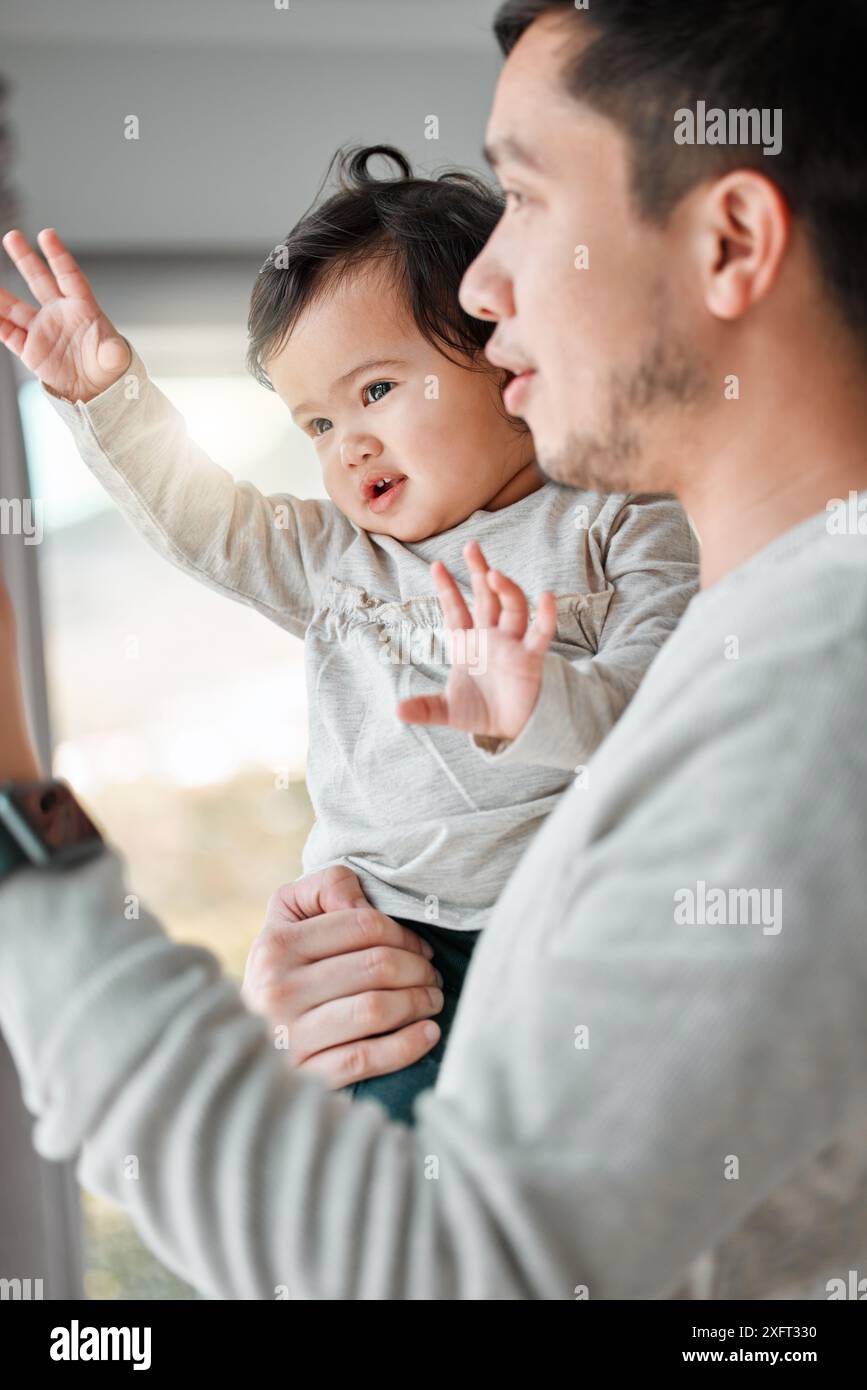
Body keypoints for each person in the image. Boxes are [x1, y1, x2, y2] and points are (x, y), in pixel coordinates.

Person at [2, 0, 867, 1299]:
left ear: (730, 239)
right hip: (389, 940)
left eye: (523, 194)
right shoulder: (758, 639)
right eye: (312, 419)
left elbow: (451, 1272)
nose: (478, 288)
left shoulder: (806, 682)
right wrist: (302, 1059)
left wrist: (22, 828)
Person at [0, 146, 698, 1127]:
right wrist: (106, 399)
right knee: (398, 1208)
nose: (348, 445)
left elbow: (664, 711)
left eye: (374, 392)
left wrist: (537, 700)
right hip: (386, 953)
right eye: (316, 424)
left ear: (502, 352)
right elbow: (204, 518)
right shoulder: (339, 560)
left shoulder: (625, 521)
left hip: (576, 930)